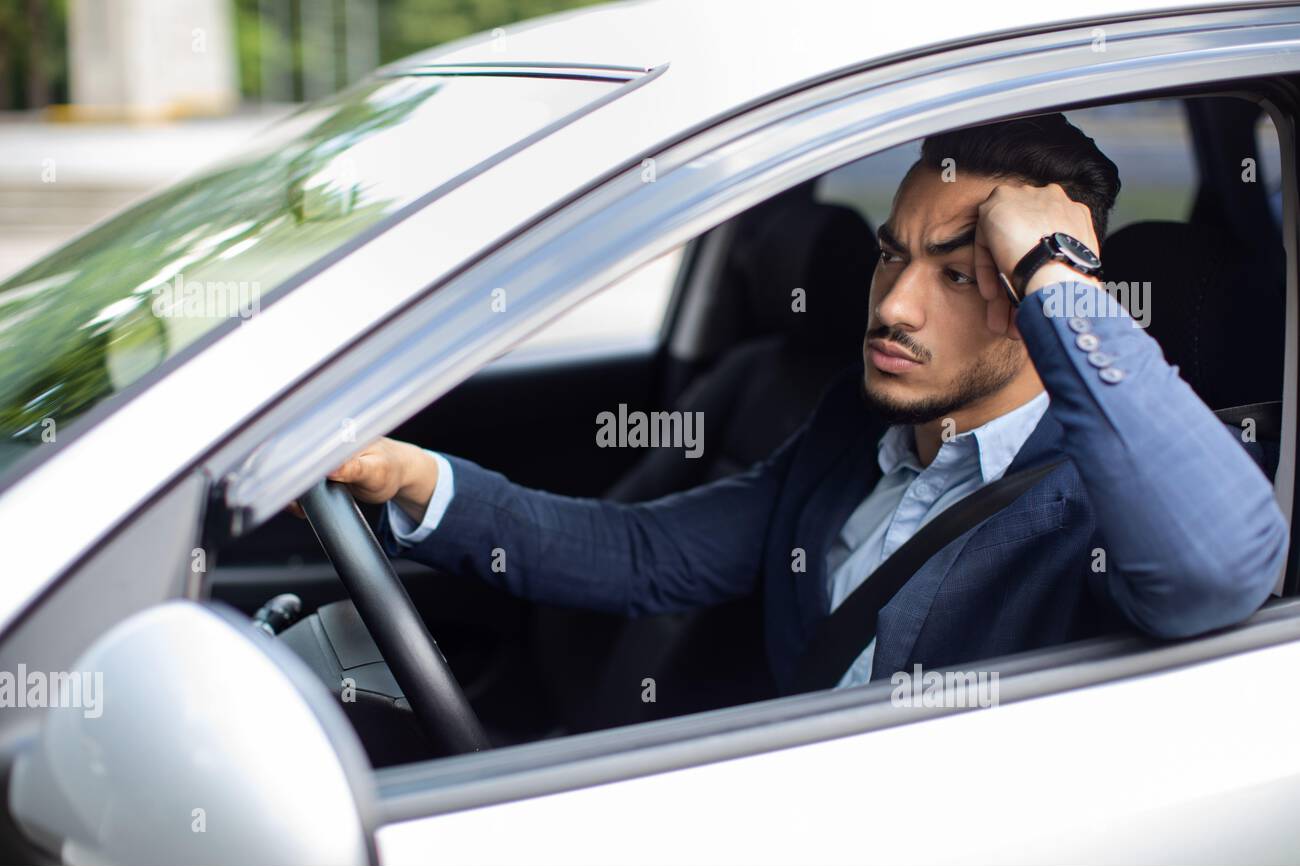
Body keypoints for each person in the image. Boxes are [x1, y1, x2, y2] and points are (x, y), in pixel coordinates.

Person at [320, 113, 1288, 694]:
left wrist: (1052, 275)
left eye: (958, 273)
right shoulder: (849, 433)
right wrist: (411, 478)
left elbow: (1219, 566)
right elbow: (640, 553)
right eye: (891, 252)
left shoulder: (1100, 503)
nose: (894, 303)